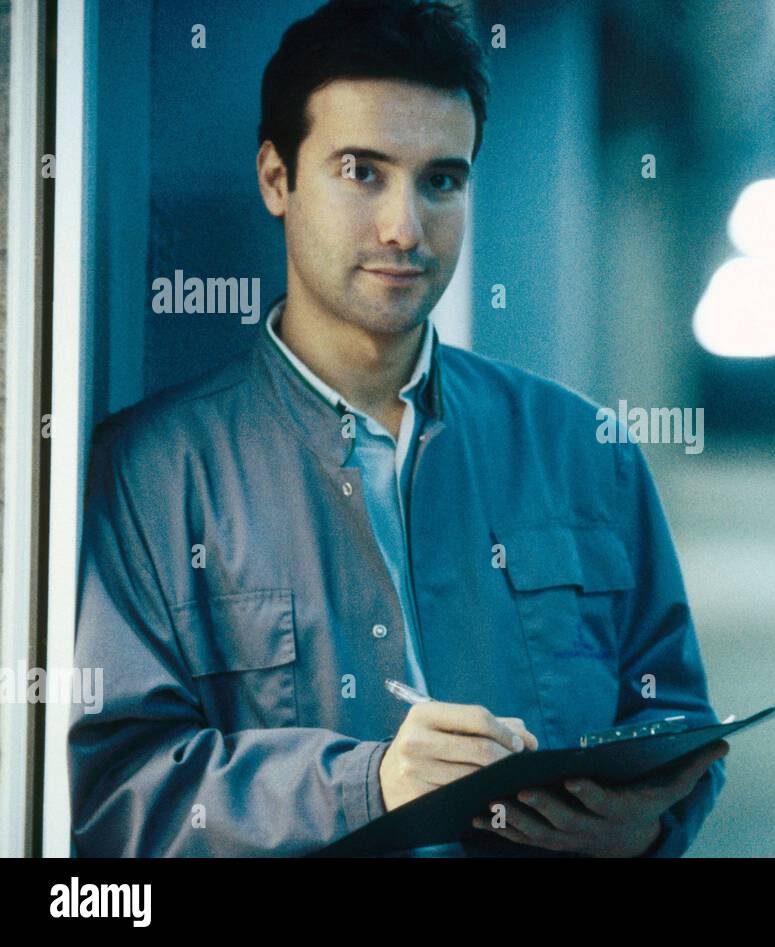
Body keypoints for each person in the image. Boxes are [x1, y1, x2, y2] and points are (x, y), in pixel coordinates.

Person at [68, 0, 727, 858]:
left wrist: (648, 823)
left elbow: (678, 720)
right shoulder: (154, 473)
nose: (404, 228)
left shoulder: (584, 450)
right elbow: (120, 796)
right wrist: (366, 785)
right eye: (360, 170)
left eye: (441, 180)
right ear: (277, 178)